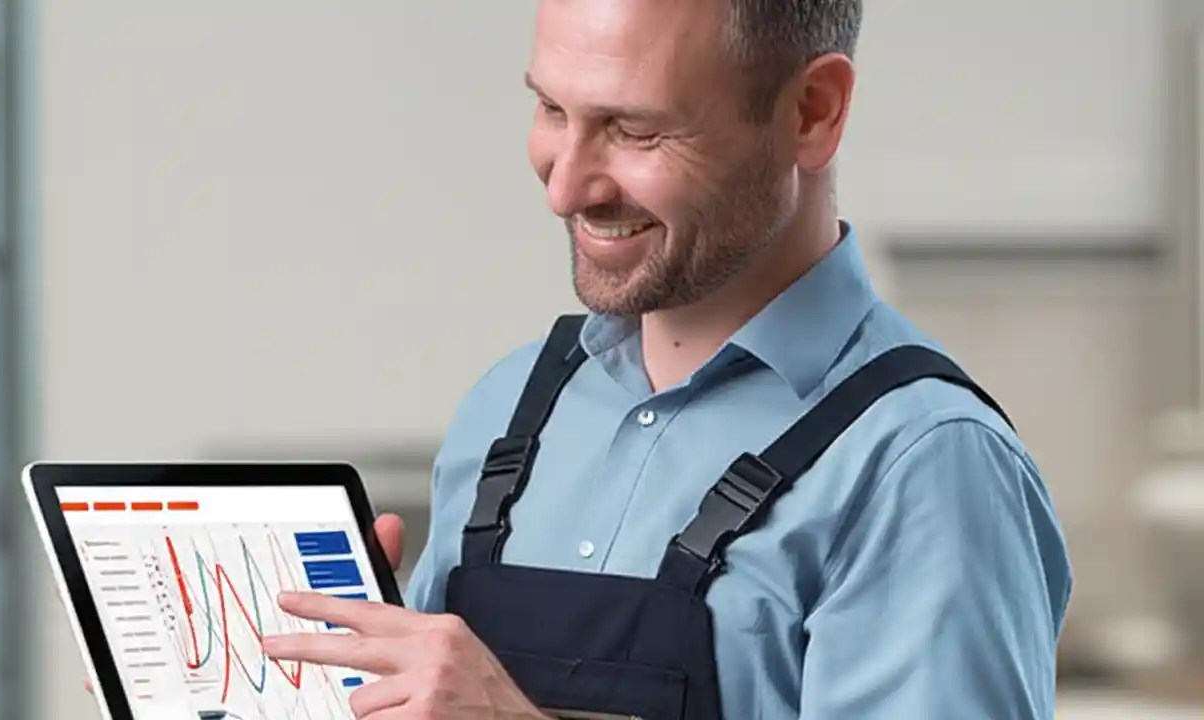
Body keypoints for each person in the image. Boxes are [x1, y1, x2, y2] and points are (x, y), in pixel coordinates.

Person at [259, 0, 1073, 717]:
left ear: (812, 113)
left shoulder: (921, 466)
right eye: (551, 108)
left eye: (634, 129)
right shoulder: (509, 409)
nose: (565, 187)